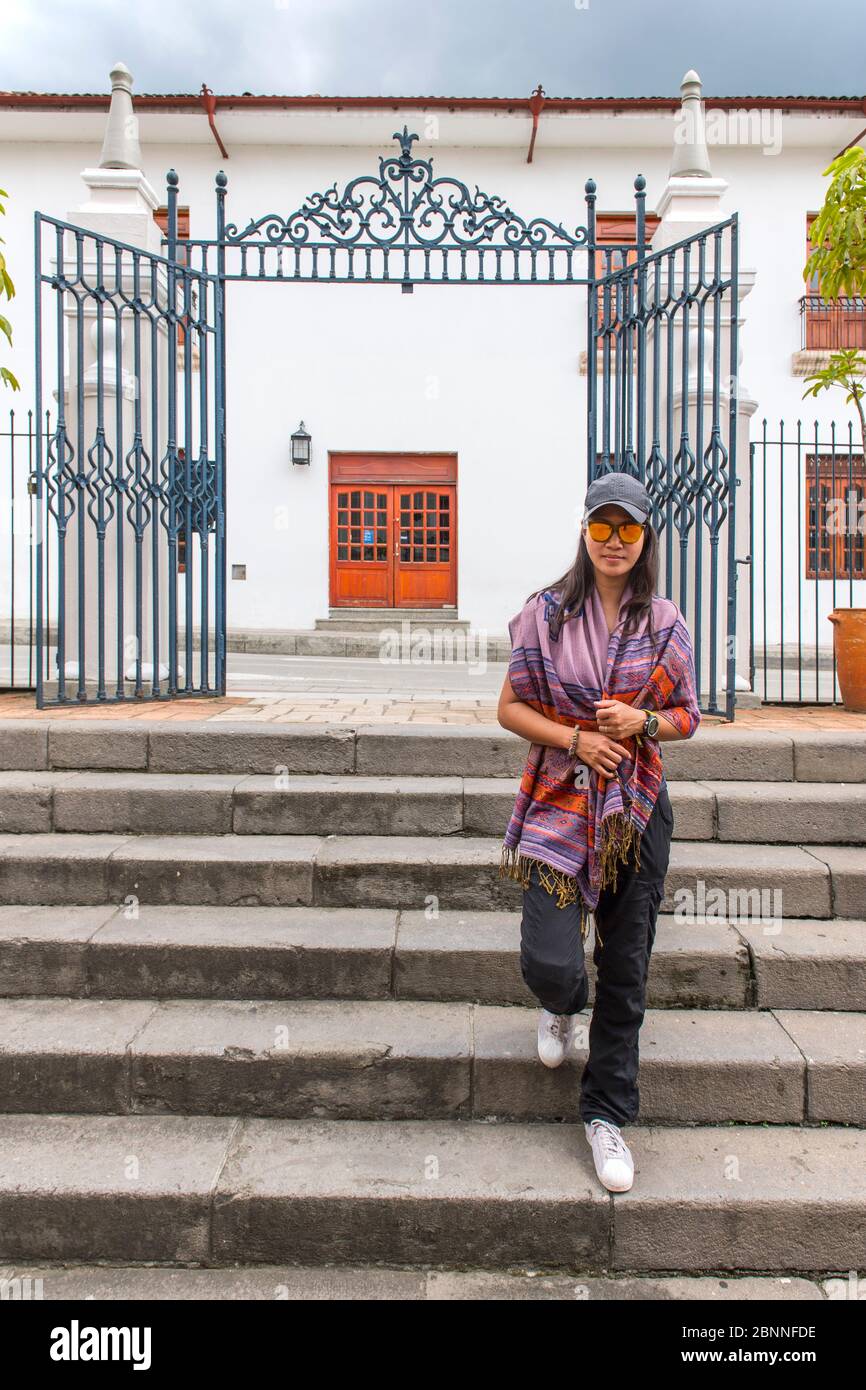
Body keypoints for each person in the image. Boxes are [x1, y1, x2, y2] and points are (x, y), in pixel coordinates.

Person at [496, 472, 701, 1194]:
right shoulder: (546, 614)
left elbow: (687, 716)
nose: (614, 542)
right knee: (552, 959)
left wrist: (642, 722)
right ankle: (558, 1003)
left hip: (637, 812)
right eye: (602, 527)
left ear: (645, 539)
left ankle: (606, 1115)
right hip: (559, 800)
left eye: (629, 529)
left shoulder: (665, 623)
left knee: (626, 965)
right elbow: (509, 708)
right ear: (584, 532)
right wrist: (578, 740)